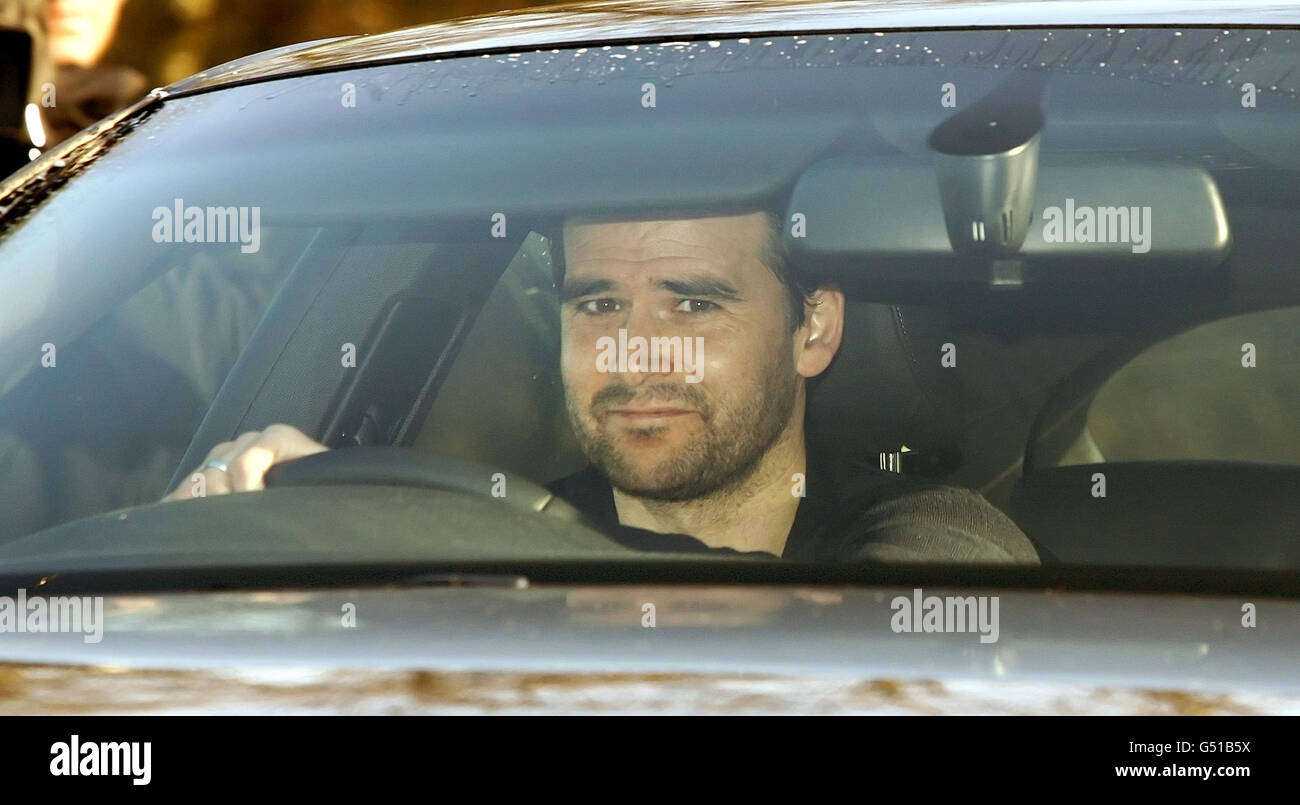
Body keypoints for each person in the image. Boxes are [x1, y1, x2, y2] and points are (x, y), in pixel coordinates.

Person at [163, 210, 1040, 563]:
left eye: (694, 303)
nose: (635, 356)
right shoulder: (504, 528)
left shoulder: (935, 532)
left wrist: (390, 528)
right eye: (598, 303)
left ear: (814, 329)